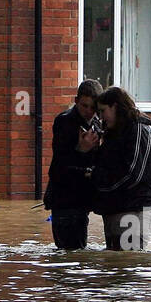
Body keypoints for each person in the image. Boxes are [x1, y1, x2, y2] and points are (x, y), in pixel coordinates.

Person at [77, 86, 151, 251]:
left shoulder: (139, 129)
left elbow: (133, 173)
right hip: (116, 208)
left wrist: (98, 180)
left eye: (103, 110)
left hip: (137, 208)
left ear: (116, 106)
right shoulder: (114, 133)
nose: (100, 117)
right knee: (117, 266)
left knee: (129, 266)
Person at [43, 80, 103, 249]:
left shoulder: (97, 123)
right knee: (69, 249)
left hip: (81, 197)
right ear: (76, 101)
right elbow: (60, 163)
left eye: (93, 108)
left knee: (77, 248)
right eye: (85, 106)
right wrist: (81, 150)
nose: (89, 112)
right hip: (64, 197)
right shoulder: (64, 122)